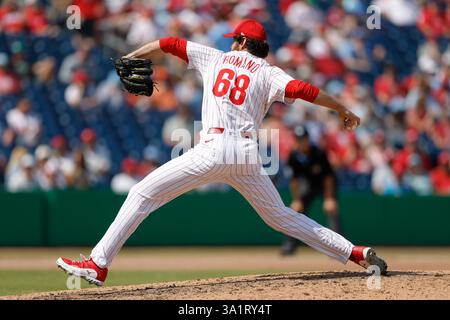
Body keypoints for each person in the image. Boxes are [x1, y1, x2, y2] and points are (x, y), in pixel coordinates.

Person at [56, 19, 387, 286]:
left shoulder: (215, 57)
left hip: (213, 149)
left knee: (142, 193)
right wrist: (342, 108)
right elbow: (305, 90)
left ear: (242, 42)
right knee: (281, 216)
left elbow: (169, 43)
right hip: (245, 154)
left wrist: (132, 56)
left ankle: (98, 264)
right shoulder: (269, 72)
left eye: (234, 39)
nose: (231, 42)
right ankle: (355, 252)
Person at [281, 125, 341, 256]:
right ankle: (290, 246)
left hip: (325, 185)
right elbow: (294, 180)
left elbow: (328, 177)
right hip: (308, 185)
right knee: (296, 211)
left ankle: (339, 249)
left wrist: (329, 198)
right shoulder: (293, 155)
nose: (301, 142)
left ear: (308, 139)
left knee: (332, 209)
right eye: (299, 139)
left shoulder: (319, 152)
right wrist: (296, 200)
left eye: (304, 139)